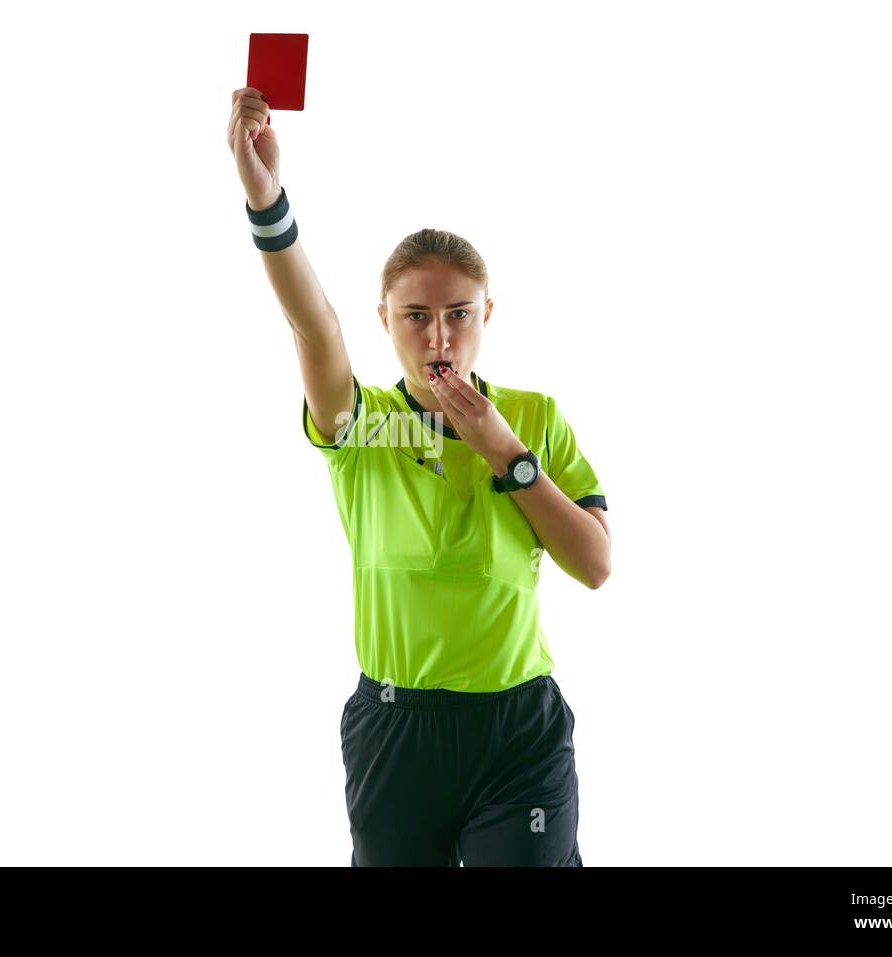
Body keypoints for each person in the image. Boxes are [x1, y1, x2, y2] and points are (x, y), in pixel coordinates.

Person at [227, 87, 611, 866]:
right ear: (384, 321)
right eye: (416, 315)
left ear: (487, 315)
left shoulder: (535, 418)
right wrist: (267, 202)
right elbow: (313, 324)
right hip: (396, 732)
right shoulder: (359, 423)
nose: (440, 336)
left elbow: (596, 564)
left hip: (518, 731)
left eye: (460, 313)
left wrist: (506, 451)